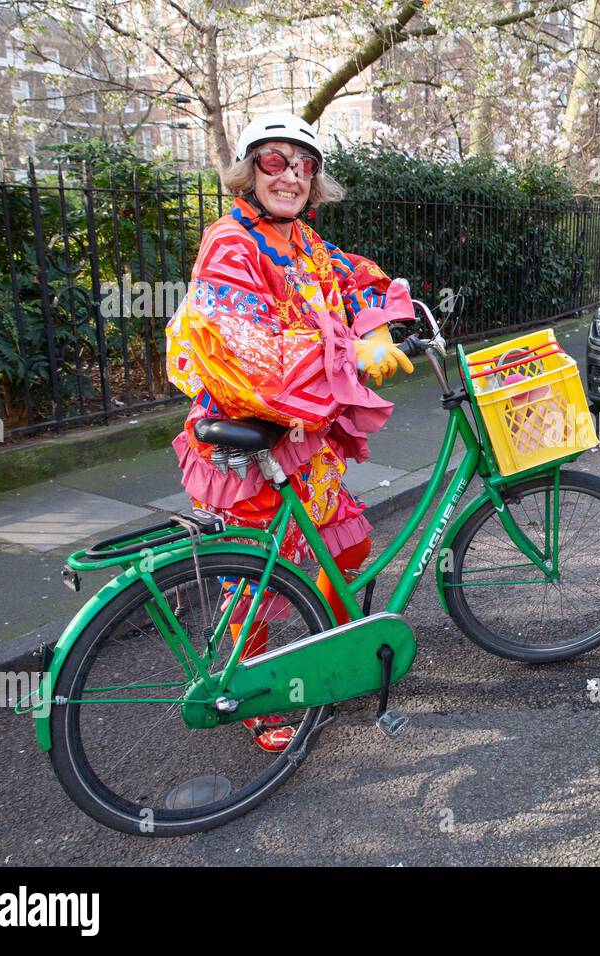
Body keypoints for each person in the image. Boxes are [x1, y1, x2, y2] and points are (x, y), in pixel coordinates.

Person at [165, 113, 413, 752]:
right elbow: (242, 344)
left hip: (307, 439)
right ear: (250, 170)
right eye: (275, 161)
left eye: (303, 165)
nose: (291, 176)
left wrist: (378, 322)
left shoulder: (303, 239)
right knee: (253, 575)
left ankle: (334, 663)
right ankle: (250, 697)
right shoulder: (229, 242)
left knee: (343, 552)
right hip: (252, 440)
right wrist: (343, 353)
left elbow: (352, 275)